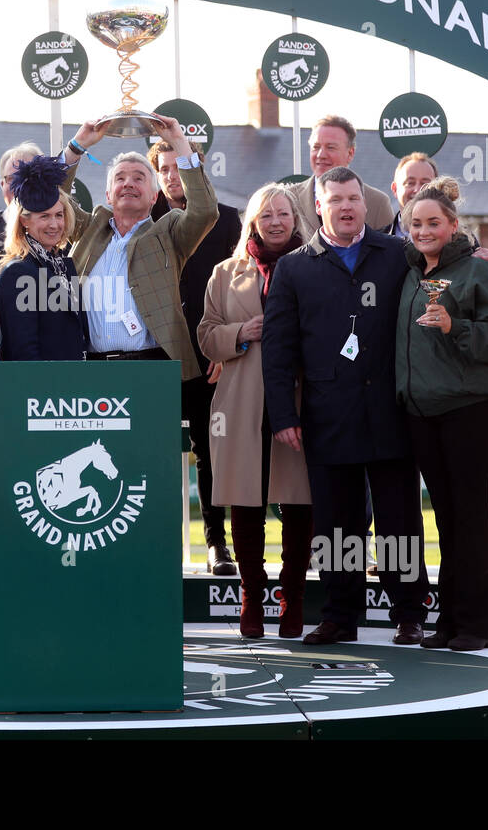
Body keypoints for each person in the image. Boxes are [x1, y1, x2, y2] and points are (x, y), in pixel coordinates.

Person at [261, 166, 429, 645]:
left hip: (391, 409)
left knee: (399, 520)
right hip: (326, 413)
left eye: (353, 198)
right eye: (336, 200)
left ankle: (409, 612)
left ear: (364, 201)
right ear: (318, 206)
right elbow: (278, 350)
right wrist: (283, 415)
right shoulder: (293, 267)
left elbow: (445, 255)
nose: (347, 207)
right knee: (338, 522)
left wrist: (478, 251)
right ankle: (339, 615)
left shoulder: (397, 253)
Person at [395, 178, 488, 651]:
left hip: (468, 410)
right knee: (446, 519)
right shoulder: (409, 275)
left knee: (470, 518)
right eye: (417, 224)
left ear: (453, 225)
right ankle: (448, 621)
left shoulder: (479, 272)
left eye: (433, 223)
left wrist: (455, 326)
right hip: (422, 412)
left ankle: (476, 625)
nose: (424, 231)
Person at [197, 183, 313, 638]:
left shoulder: (313, 267)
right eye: (267, 215)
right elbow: (206, 335)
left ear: (296, 218)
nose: (276, 222)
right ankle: (251, 596)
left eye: (283, 214)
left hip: (300, 399)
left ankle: (293, 599)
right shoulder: (226, 272)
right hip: (242, 400)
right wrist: (241, 331)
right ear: (253, 221)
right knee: (245, 499)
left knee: (298, 501)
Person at [58, 115, 215, 379]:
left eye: (139, 178)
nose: (128, 183)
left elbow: (205, 210)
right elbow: (54, 200)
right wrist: (77, 146)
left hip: (151, 368)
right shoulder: (89, 228)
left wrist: (178, 141)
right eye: (120, 178)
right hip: (89, 368)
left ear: (155, 196)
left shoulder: (169, 232)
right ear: (108, 194)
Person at [149, 139, 243, 576]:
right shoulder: (142, 222)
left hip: (208, 357)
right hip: (153, 361)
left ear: (195, 168)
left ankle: (217, 546)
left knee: (210, 452)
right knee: (151, 454)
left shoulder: (225, 220)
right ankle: (153, 544)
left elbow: (236, 289)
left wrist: (223, 348)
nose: (171, 176)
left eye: (178, 167)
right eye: (163, 169)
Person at [0, 156, 87, 361]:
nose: (54, 224)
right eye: (44, 216)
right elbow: (23, 351)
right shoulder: (18, 272)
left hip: (73, 383)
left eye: (59, 215)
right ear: (24, 221)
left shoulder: (63, 265)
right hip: (43, 388)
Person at [281, 115, 395, 242]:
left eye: (330, 147)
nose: (321, 155)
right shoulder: (289, 199)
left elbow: (389, 253)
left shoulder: (377, 202)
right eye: (316, 147)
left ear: (350, 153)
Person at [0, 141, 42, 279]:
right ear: (2, 184)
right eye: (13, 178)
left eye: (29, 177)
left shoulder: (56, 229)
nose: (21, 186)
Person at [384, 153, 436, 238]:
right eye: (410, 183)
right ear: (395, 189)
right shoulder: (376, 244)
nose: (418, 190)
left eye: (425, 184)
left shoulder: (452, 242)